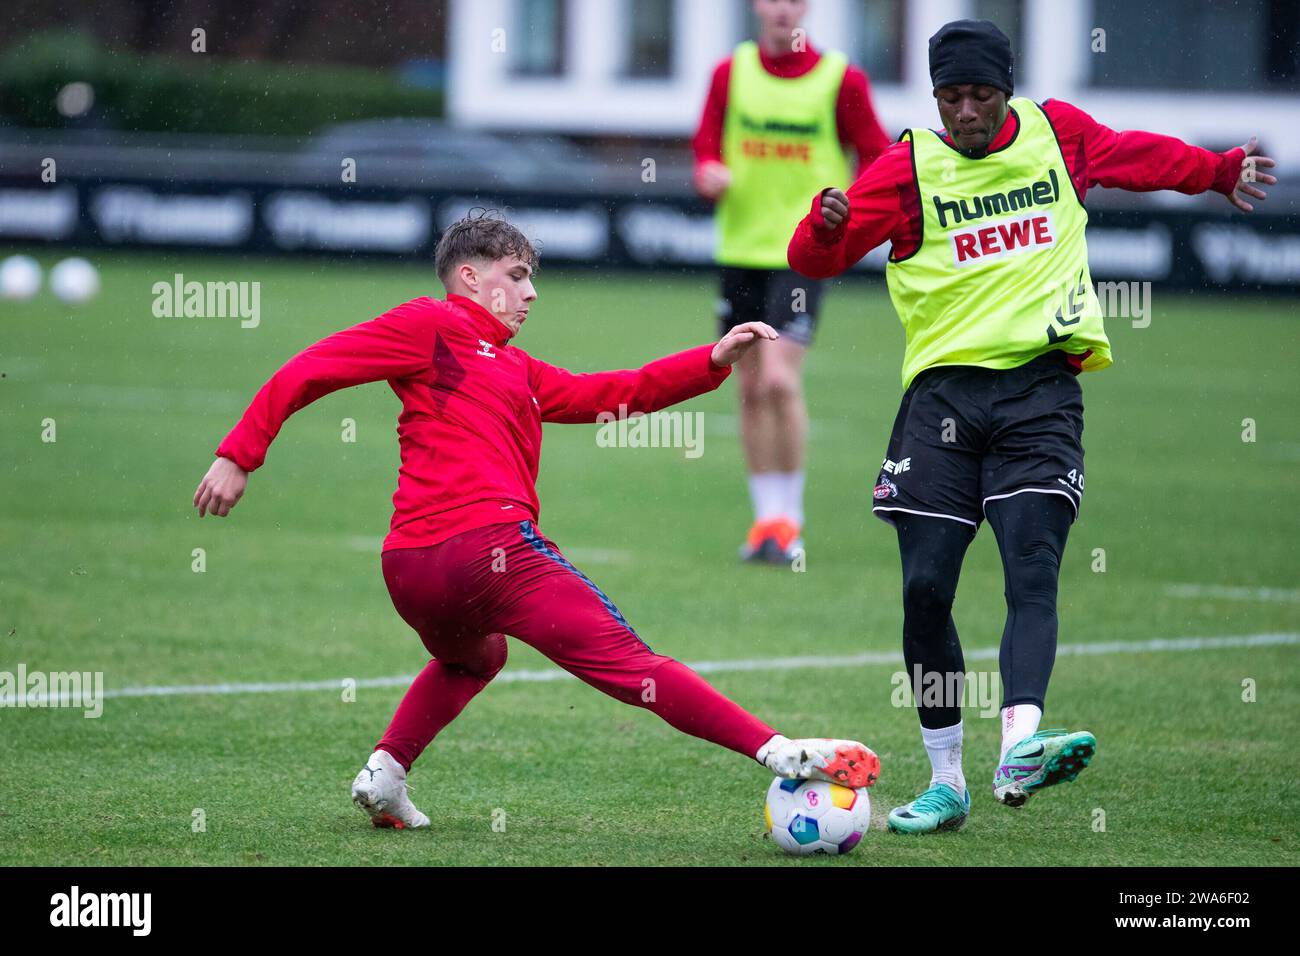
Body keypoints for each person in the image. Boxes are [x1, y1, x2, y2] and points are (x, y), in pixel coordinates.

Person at [192, 213, 879, 830]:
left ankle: (387, 772)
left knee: (476, 656)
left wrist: (708, 361)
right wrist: (237, 455)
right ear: (469, 276)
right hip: (489, 553)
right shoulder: (430, 324)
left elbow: (616, 393)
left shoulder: (515, 368)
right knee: (634, 665)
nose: (531, 292)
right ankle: (780, 751)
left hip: (412, 567)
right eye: (516, 275)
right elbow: (312, 367)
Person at [787, 20, 1276, 834]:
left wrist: (1219, 171)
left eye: (981, 95)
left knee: (1032, 569)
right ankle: (946, 781)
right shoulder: (906, 164)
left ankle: (1020, 741)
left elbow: (1140, 154)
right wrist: (830, 223)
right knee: (925, 589)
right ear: (935, 97)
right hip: (941, 401)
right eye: (952, 97)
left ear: (1006, 90)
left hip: (1042, 394)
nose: (968, 112)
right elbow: (812, 261)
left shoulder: (1058, 134)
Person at [693, 0, 889, 563]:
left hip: (802, 253)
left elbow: (878, 153)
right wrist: (708, 170)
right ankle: (766, 524)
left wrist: (853, 210)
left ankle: (792, 524)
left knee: (778, 380)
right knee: (749, 387)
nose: (783, 10)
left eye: (794, 1)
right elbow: (705, 145)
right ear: (759, 8)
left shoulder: (841, 79)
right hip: (740, 250)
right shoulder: (730, 74)